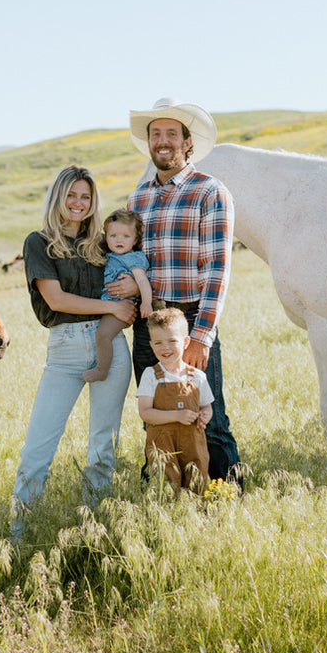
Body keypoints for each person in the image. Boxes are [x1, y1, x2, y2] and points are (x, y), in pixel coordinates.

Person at [106, 96, 242, 487]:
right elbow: (133, 259)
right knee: (156, 411)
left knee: (206, 415)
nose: (162, 141)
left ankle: (226, 498)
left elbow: (218, 270)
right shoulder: (138, 199)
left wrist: (201, 336)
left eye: (171, 134)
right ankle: (163, 502)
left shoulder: (210, 192)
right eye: (155, 134)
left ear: (187, 143)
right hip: (149, 322)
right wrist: (131, 286)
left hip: (191, 320)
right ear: (149, 143)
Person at [11, 165, 135, 534]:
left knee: (103, 446)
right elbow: (56, 298)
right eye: (71, 195)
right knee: (37, 450)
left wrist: (130, 288)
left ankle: (94, 531)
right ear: (58, 197)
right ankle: (17, 536)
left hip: (110, 345)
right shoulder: (38, 241)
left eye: (86, 197)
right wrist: (112, 306)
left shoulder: (101, 244)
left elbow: (126, 276)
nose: (78, 203)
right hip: (65, 349)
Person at [137, 308, 212, 495]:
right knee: (166, 483)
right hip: (163, 443)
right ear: (152, 345)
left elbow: (207, 407)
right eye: (159, 343)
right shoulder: (151, 375)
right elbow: (145, 412)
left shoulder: (198, 377)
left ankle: (195, 519)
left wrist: (204, 417)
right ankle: (167, 518)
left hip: (193, 442)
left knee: (196, 480)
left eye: (172, 341)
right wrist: (177, 416)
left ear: (186, 342)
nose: (165, 348)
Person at [83, 209, 152, 384]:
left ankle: (102, 370)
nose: (119, 240)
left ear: (135, 239)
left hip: (123, 306)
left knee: (103, 335)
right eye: (113, 235)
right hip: (110, 305)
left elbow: (142, 281)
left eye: (125, 236)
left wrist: (147, 303)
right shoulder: (110, 256)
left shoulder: (133, 258)